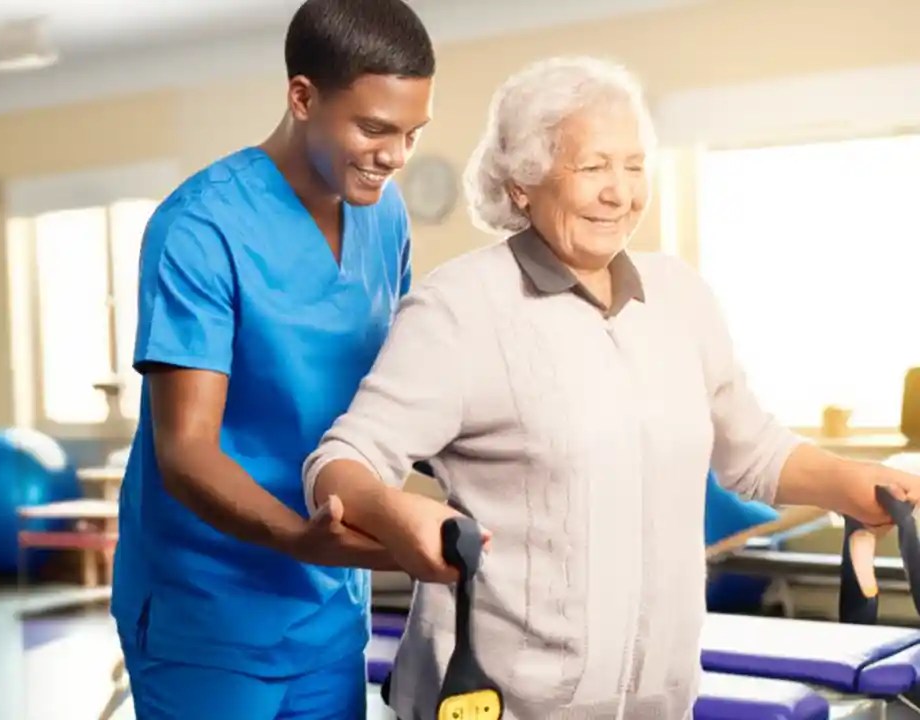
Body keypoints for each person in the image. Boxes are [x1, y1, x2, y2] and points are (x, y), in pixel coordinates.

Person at [301, 55, 920, 719]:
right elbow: (341, 463)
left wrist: (850, 481)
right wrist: (393, 514)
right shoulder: (462, 308)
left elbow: (754, 452)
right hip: (499, 702)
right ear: (522, 183)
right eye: (593, 167)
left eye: (633, 166)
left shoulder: (680, 298)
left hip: (660, 700)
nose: (620, 193)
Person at [109, 0, 436, 717]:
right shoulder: (200, 227)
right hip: (208, 615)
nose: (395, 156)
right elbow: (186, 451)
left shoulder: (385, 215)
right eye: (374, 128)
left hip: (326, 610)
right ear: (302, 97)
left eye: (412, 134)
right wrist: (299, 539)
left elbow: (398, 390)